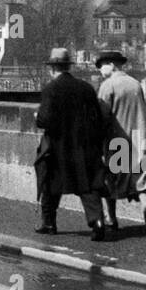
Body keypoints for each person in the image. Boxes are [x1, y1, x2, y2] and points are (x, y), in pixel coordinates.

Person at [33, 47, 108, 240]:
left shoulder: (51, 89)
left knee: (50, 182)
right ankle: (98, 222)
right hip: (84, 146)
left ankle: (49, 223)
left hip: (58, 146)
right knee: (88, 185)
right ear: (68, 66)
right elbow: (97, 118)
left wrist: (37, 117)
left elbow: (45, 120)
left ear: (52, 68)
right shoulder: (86, 88)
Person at [96, 50, 146, 236]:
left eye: (102, 65)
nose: (100, 69)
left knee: (110, 180)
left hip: (116, 140)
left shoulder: (108, 86)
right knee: (142, 179)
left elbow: (102, 116)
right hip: (140, 139)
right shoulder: (135, 84)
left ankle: (112, 218)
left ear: (112, 65)